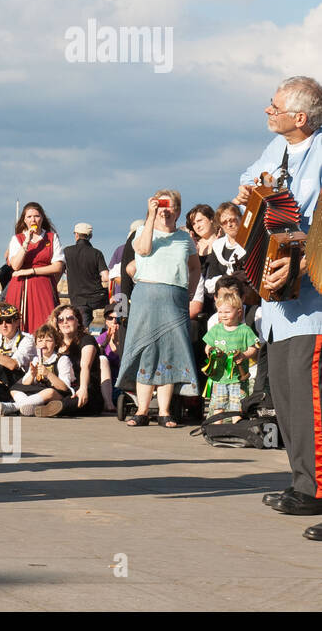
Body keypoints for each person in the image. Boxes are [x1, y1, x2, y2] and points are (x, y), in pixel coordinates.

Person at [239, 77, 322, 539]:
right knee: (289, 399)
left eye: (275, 106)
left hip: (315, 302)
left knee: (314, 400)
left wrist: (302, 254)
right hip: (279, 307)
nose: (267, 111)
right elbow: (249, 191)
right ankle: (306, 485)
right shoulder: (275, 153)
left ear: (300, 118)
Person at [118, 190, 199, 428]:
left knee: (170, 353)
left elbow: (195, 267)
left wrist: (190, 291)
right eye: (161, 205)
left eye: (169, 206)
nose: (165, 210)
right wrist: (151, 216)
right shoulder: (142, 231)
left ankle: (164, 412)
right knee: (145, 352)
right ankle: (142, 411)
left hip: (175, 297)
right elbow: (142, 250)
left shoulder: (185, 238)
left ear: (178, 211)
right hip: (145, 296)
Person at [202, 279, 260, 422]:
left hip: (238, 378)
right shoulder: (215, 328)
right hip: (219, 377)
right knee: (218, 404)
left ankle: (235, 427)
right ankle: (216, 428)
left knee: (237, 405)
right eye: (220, 312)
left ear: (238, 312)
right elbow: (207, 346)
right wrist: (211, 351)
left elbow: (254, 349)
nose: (223, 315)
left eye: (227, 312)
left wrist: (244, 355)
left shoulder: (244, 330)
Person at [2, 202, 65, 334]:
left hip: (43, 287)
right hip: (20, 288)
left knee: (45, 324)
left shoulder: (52, 238)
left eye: (36, 216)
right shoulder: (17, 239)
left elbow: (58, 266)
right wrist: (26, 242)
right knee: (17, 324)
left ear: (42, 218)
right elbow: (16, 265)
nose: (33, 220)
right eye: (29, 217)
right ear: (24, 220)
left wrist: (32, 271)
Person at [3, 324, 73, 417]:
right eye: (40, 341)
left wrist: (48, 374)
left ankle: (15, 406)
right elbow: (25, 383)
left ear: (55, 343)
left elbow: (64, 387)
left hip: (57, 394)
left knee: (49, 392)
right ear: (36, 344)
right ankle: (30, 408)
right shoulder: (37, 359)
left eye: (48, 341)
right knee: (14, 389)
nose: (44, 344)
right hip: (39, 393)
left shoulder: (62, 359)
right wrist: (32, 374)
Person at [53, 303, 104, 417]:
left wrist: (83, 389)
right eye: (61, 320)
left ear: (78, 322)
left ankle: (49, 408)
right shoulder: (55, 344)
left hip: (86, 391)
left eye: (70, 318)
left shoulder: (87, 340)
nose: (65, 322)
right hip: (63, 389)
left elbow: (85, 367)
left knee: (69, 402)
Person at [64, 222, 109, 329]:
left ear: (76, 235)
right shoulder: (96, 253)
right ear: (90, 236)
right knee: (115, 303)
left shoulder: (67, 252)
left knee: (81, 328)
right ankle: (106, 333)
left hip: (78, 299)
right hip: (97, 298)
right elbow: (106, 276)